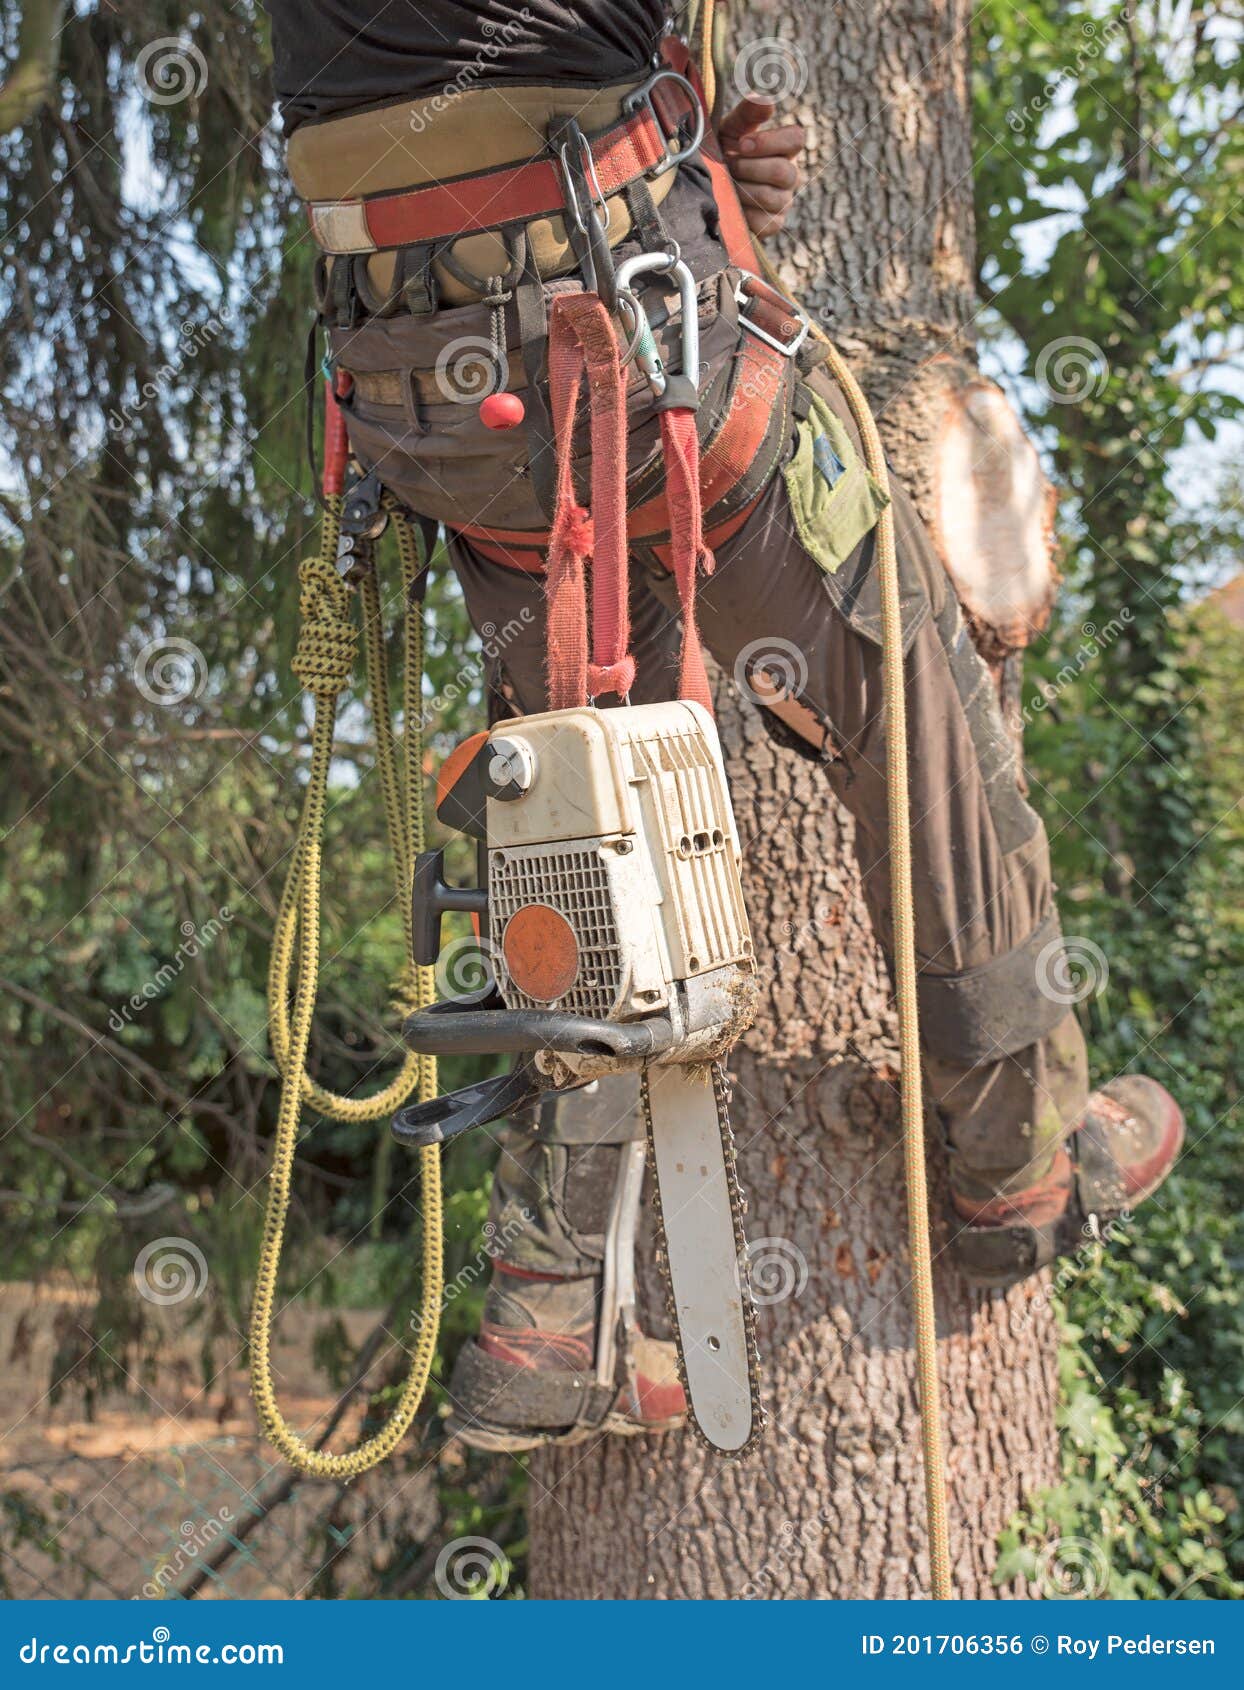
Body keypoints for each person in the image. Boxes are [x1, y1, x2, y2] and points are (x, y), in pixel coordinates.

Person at [263, 1, 1184, 1450]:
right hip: (648, 369)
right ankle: (1019, 1161)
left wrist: (671, 147)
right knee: (917, 707)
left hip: (430, 406)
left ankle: (547, 1311)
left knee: (564, 811)